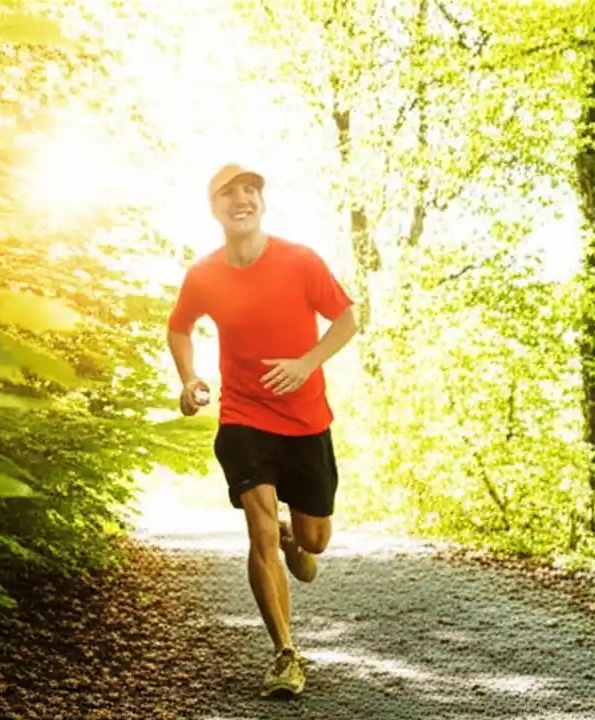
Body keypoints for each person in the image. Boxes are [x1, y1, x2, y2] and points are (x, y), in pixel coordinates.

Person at [165, 163, 358, 698]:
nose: (241, 199)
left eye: (251, 190)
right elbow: (178, 325)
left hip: (305, 420)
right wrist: (189, 379)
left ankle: (298, 534)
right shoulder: (204, 274)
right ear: (215, 208)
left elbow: (346, 318)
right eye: (229, 193)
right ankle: (284, 653)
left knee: (312, 545)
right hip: (244, 418)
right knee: (260, 530)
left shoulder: (299, 261)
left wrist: (307, 363)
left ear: (263, 203)